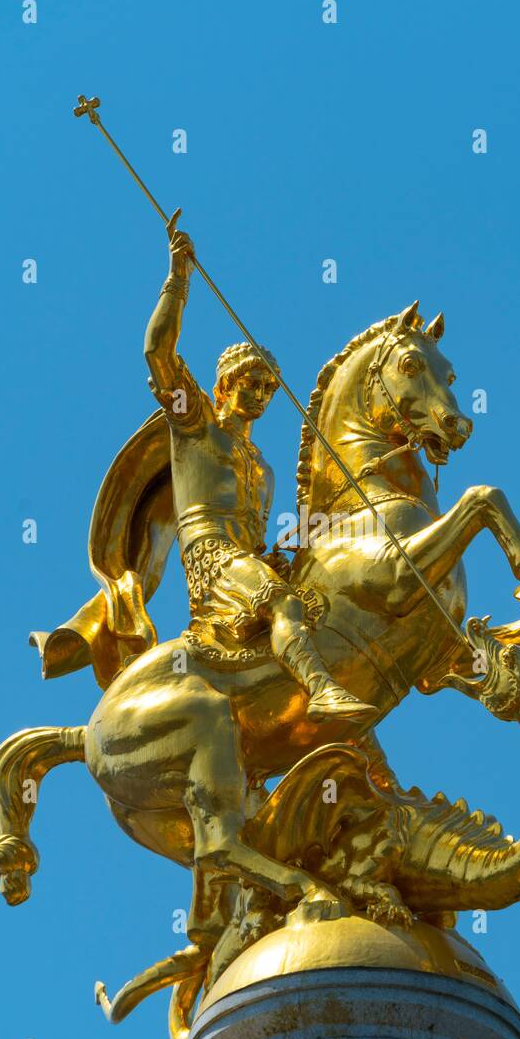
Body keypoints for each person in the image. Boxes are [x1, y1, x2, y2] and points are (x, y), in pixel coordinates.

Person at [143, 212, 376, 722]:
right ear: (223, 384)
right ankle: (321, 690)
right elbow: (158, 352)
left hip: (244, 561)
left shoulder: (263, 468)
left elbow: (254, 545)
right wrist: (178, 279)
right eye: (251, 380)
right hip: (211, 560)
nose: (262, 393)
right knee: (283, 604)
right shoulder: (197, 424)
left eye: (269, 386)